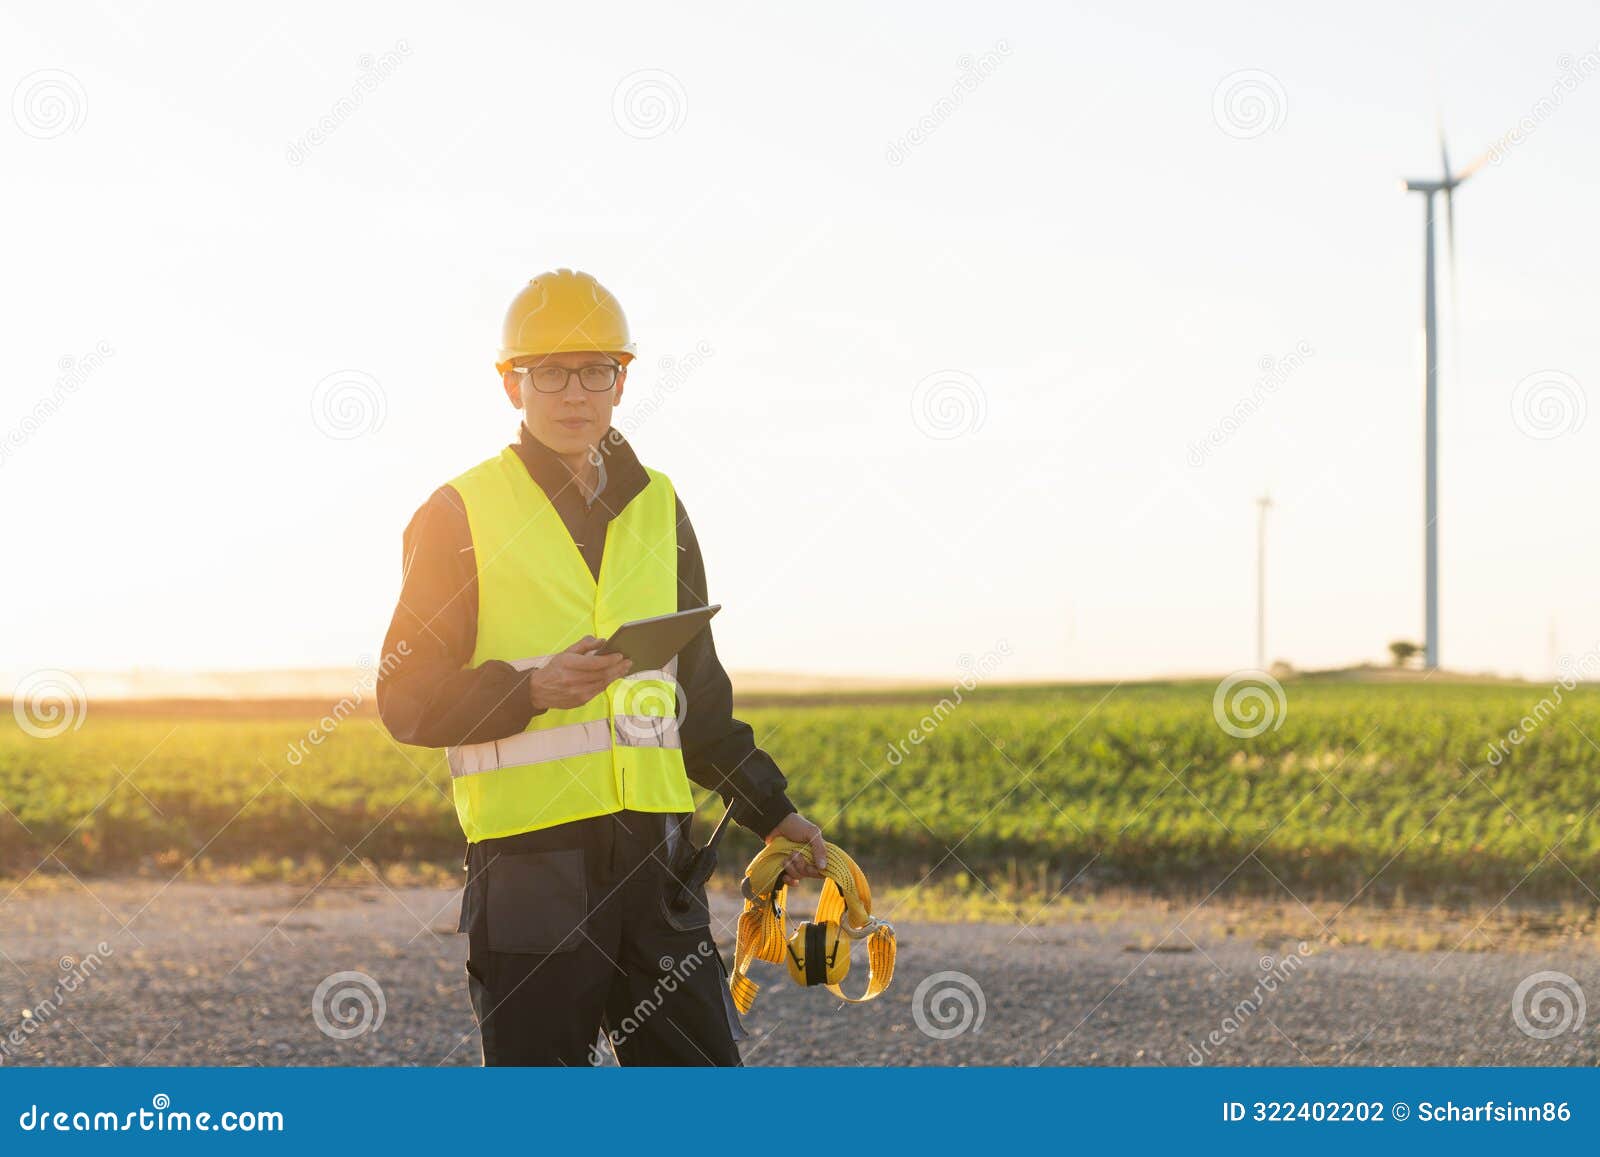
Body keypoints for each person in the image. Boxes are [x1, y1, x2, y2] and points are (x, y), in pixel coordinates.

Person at [376, 268, 828, 1066]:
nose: (573, 392)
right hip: (530, 871)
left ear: (623, 381)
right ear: (511, 384)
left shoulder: (660, 504)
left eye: (596, 371)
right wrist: (528, 690)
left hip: (656, 868)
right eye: (548, 371)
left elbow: (699, 699)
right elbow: (403, 697)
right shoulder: (458, 515)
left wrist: (772, 811)